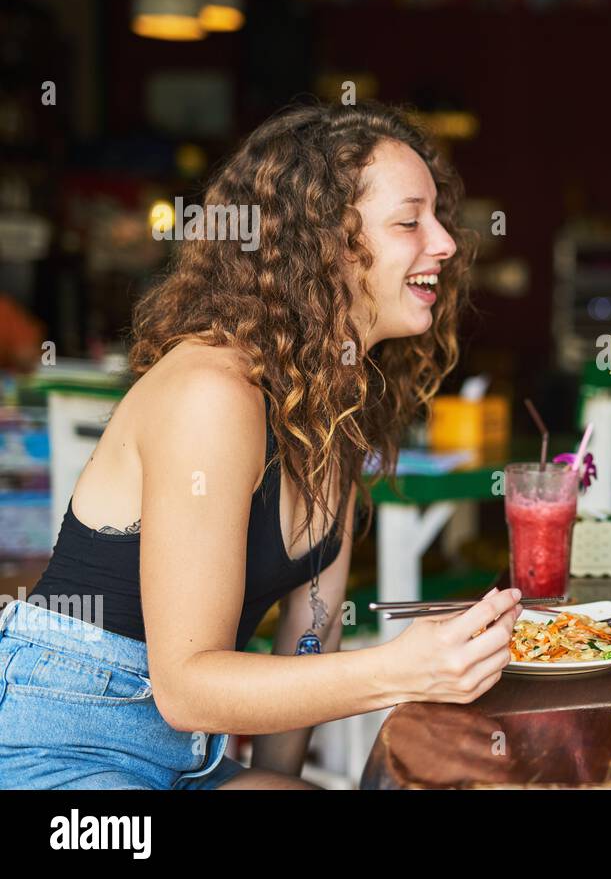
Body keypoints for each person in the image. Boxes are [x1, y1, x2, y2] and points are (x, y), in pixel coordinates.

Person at [0, 101, 522, 789]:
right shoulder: (213, 393)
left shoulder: (331, 405)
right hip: (60, 747)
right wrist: (403, 668)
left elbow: (311, 631)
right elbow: (187, 689)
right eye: (409, 221)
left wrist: (281, 782)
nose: (446, 243)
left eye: (437, 217)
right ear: (323, 243)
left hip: (189, 761)